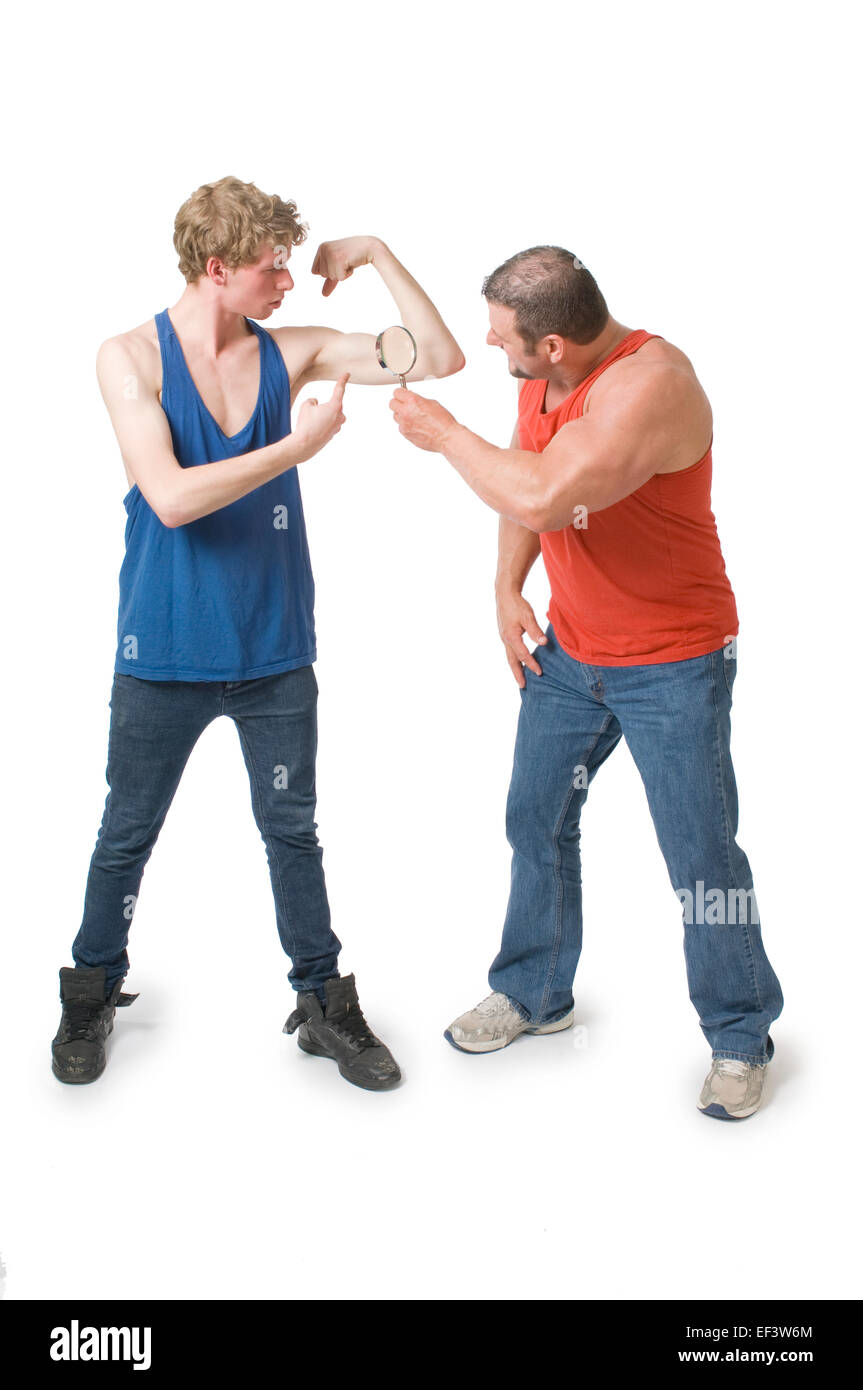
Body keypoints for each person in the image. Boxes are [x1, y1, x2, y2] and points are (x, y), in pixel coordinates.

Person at [53, 175, 464, 1092]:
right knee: (127, 832)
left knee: (292, 832)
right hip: (162, 653)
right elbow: (170, 498)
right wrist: (293, 451)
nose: (289, 283)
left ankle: (322, 1001)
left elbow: (437, 357)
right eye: (272, 268)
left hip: (274, 652)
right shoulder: (129, 358)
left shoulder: (295, 352)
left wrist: (376, 252)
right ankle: (90, 986)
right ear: (217, 268)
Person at [389, 245, 782, 1120]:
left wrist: (446, 435)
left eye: (503, 342)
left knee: (700, 858)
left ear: (555, 342)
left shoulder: (652, 384)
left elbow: (541, 490)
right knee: (535, 819)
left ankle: (739, 1033)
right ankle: (535, 991)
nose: (495, 354)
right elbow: (524, 487)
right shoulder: (541, 380)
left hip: (672, 659)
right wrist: (504, 587)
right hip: (572, 653)